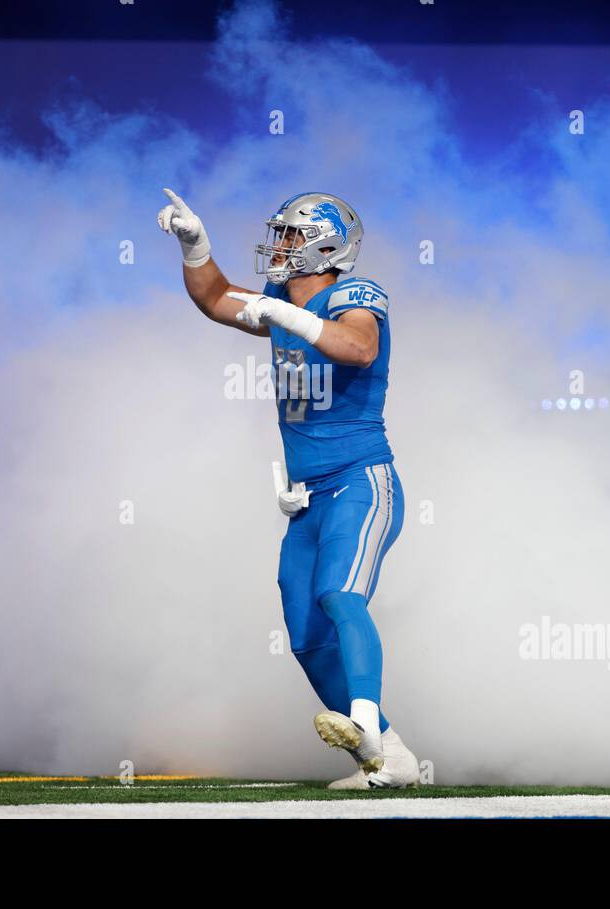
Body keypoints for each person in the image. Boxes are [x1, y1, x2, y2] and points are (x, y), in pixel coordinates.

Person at [157, 188, 419, 789]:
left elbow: (358, 345)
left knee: (339, 594)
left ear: (327, 246)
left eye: (291, 236)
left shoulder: (356, 293)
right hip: (307, 498)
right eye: (279, 233)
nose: (279, 246)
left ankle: (363, 725)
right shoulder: (280, 299)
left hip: (361, 480)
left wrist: (282, 315)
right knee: (303, 630)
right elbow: (217, 298)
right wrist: (194, 244)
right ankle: (391, 756)